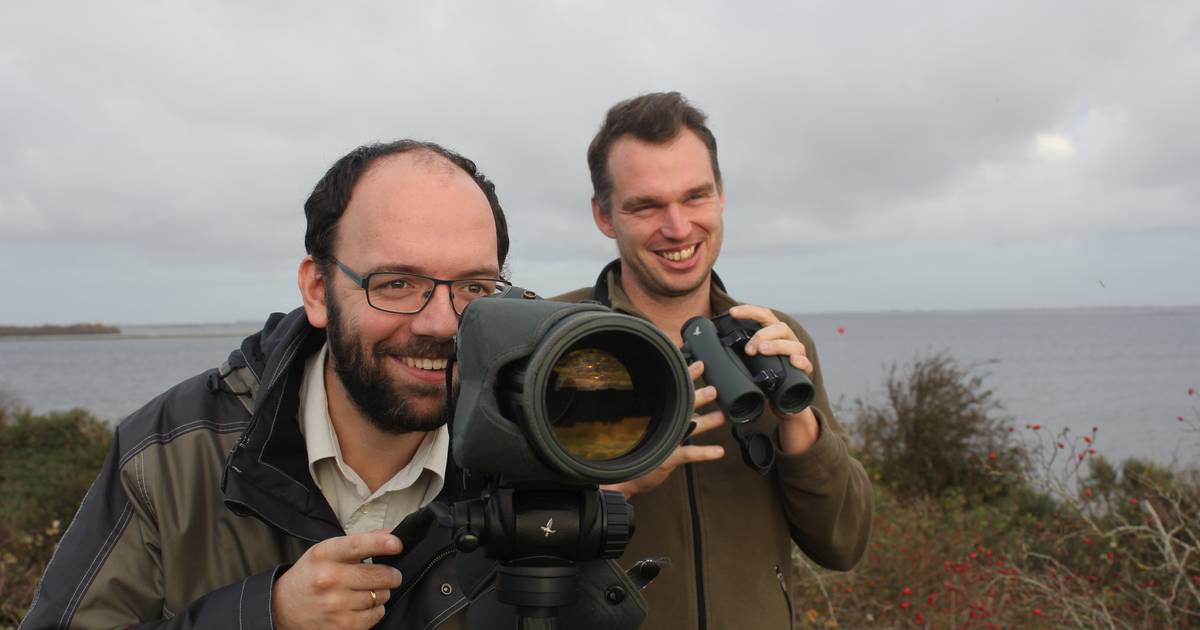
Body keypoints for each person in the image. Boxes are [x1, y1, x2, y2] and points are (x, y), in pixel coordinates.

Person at [20, 140, 513, 630]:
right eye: (397, 283)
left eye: (474, 288)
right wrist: (265, 615)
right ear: (318, 291)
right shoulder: (170, 452)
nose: (442, 324)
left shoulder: (526, 458)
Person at [554, 92, 874, 629]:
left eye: (695, 196)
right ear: (603, 216)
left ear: (721, 196)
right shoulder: (550, 344)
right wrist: (614, 488)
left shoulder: (773, 341)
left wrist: (798, 420)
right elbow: (493, 551)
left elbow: (843, 544)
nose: (678, 228)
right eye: (646, 205)